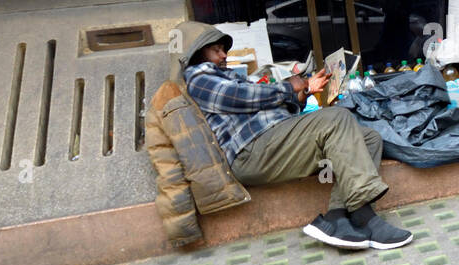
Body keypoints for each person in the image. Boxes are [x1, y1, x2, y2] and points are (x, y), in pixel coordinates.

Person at [176, 20, 413, 251]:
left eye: (223, 50)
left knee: (369, 137)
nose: (223, 55)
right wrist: (290, 87)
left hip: (273, 143)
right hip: (251, 152)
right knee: (336, 117)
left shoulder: (226, 75)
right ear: (198, 54)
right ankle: (365, 216)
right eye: (216, 50)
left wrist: (301, 94)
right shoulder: (199, 77)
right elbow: (241, 96)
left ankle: (336, 217)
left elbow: (259, 104)